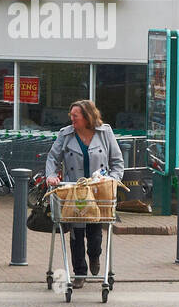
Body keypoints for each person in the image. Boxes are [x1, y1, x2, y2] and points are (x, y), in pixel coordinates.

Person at [45, 100, 125, 286]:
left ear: (87, 117)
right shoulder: (66, 135)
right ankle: (79, 273)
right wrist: (51, 176)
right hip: (75, 192)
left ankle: (95, 257)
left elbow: (117, 161)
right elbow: (52, 158)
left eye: (76, 116)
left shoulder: (105, 133)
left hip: (99, 192)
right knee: (76, 233)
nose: (72, 119)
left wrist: (112, 180)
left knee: (95, 232)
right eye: (71, 116)